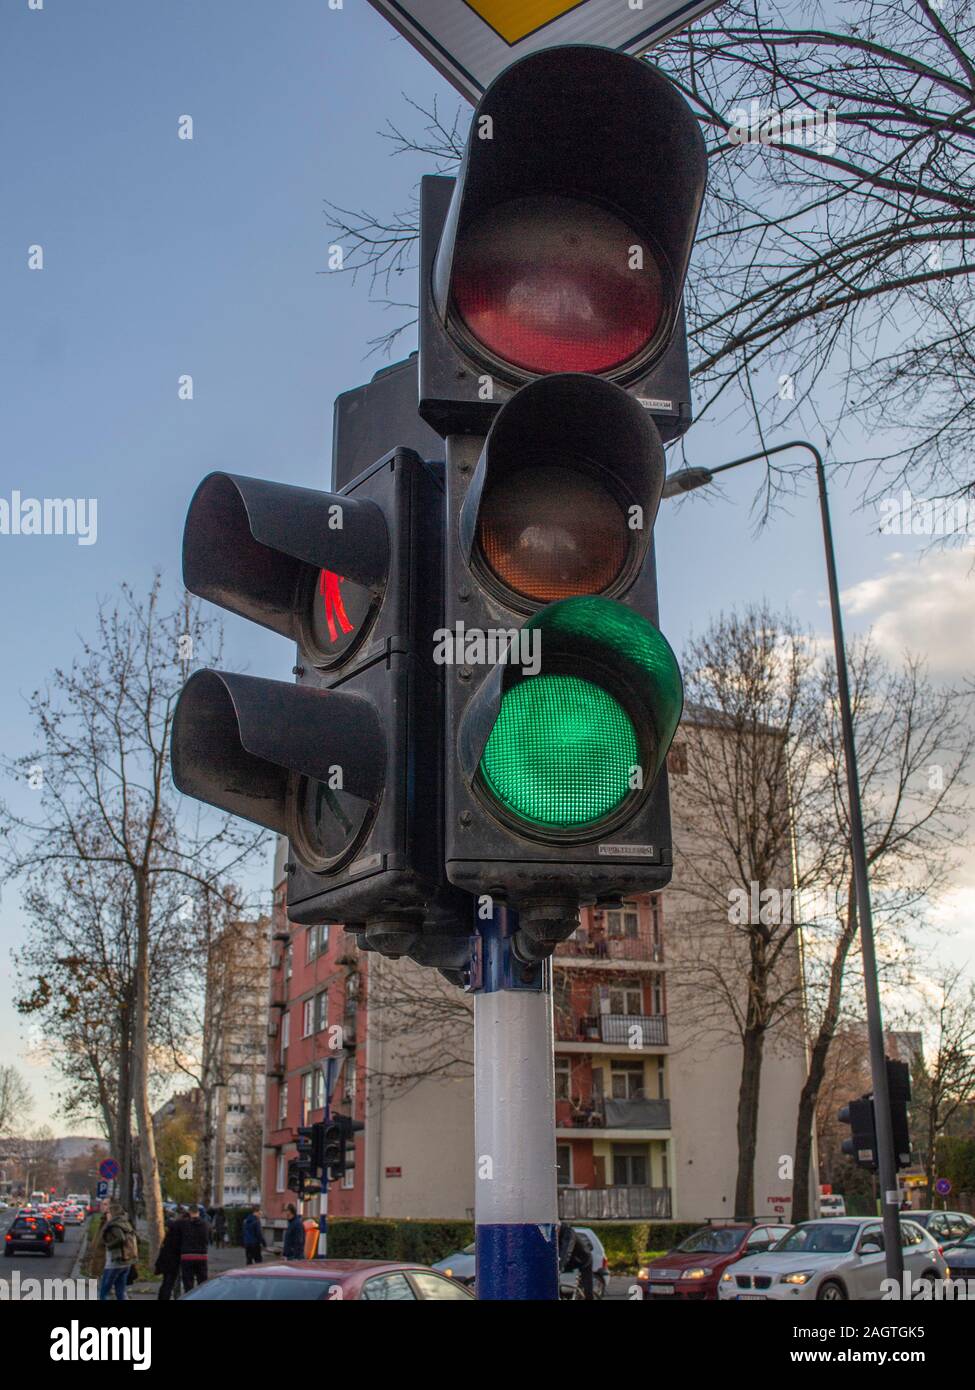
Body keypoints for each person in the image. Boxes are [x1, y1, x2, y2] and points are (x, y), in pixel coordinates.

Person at [98, 1201, 138, 1301]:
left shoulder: (114, 1225)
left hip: (114, 1262)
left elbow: (120, 1238)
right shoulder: (126, 1223)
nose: (107, 1215)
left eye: (108, 1213)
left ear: (113, 1214)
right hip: (126, 1262)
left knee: (104, 1292)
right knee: (120, 1291)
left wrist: (108, 1245)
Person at [173, 1203, 210, 1292]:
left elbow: (173, 1224)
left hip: (187, 1256)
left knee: (188, 1283)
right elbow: (208, 1239)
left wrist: (183, 1215)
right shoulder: (205, 1224)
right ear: (198, 1212)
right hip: (202, 1256)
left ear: (189, 1212)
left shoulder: (183, 1224)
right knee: (202, 1282)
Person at [558, 1222, 594, 1300]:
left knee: (587, 1289)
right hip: (572, 1261)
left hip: (583, 1259)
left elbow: (566, 1251)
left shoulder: (568, 1232)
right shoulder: (556, 1234)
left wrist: (559, 1268)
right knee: (555, 1281)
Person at [154, 1216, 182, 1301]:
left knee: (166, 1283)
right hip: (173, 1264)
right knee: (169, 1284)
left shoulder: (168, 1237)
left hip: (165, 1264)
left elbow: (162, 1252)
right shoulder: (177, 1238)